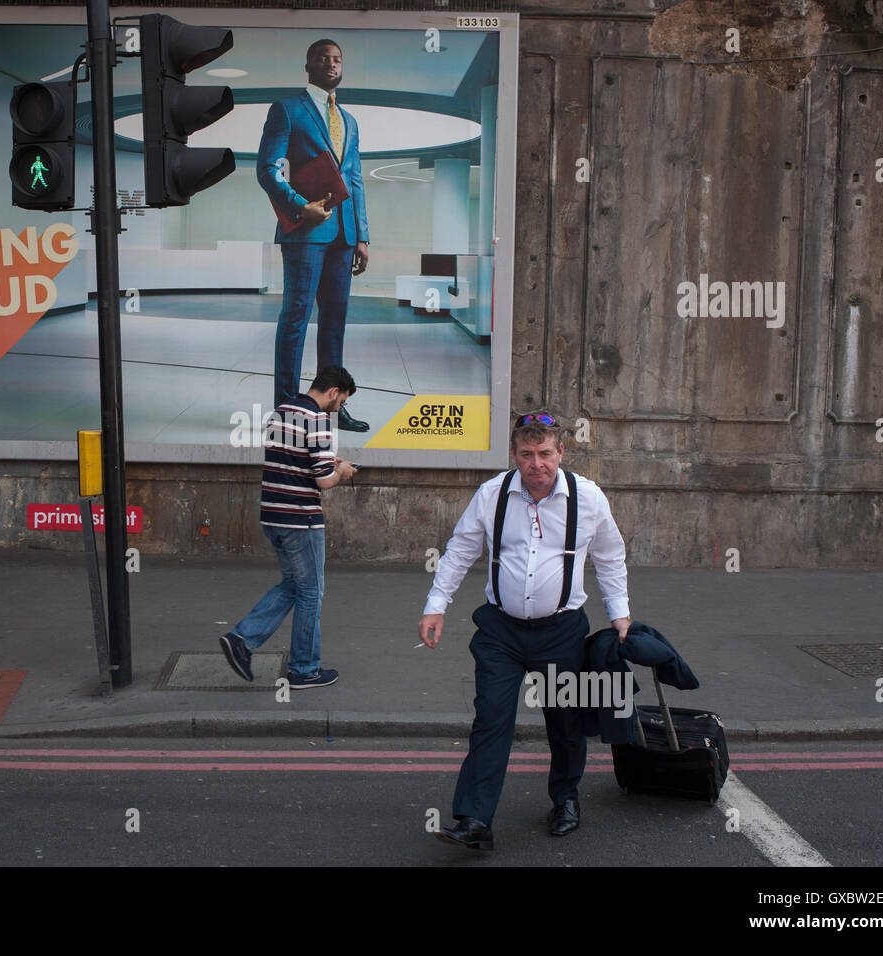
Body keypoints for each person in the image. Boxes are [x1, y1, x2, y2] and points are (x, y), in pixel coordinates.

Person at [419, 412, 632, 850]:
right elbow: (460, 550)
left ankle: (566, 799)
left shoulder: (587, 497)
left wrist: (620, 615)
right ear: (513, 454)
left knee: (566, 723)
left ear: (561, 453)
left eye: (545, 454)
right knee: (491, 720)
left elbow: (610, 556)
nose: (537, 463)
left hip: (564, 631)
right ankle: (475, 819)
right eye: (527, 454)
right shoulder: (492, 494)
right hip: (500, 632)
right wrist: (435, 606)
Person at [256, 39, 370, 432]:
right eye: (323, 57)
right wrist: (296, 204)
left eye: (337, 58)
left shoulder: (350, 121)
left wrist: (363, 236)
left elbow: (354, 180)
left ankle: (331, 409)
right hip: (305, 231)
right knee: (296, 318)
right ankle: (287, 410)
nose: (331, 63)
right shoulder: (287, 109)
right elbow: (267, 169)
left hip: (343, 236)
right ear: (308, 65)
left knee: (335, 322)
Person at [220, 366, 359, 688]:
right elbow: (324, 482)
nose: (339, 409)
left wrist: (329, 460)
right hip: (302, 519)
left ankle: (242, 639)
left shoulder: (281, 412)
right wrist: (344, 473)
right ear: (334, 391)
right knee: (311, 592)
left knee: (294, 585)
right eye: (342, 402)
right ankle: (303, 669)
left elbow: (294, 459)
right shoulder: (319, 420)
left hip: (273, 515)